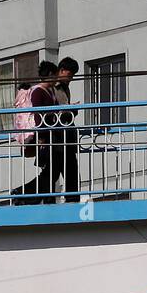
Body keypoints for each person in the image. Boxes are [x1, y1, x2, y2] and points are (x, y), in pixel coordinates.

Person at [12, 62, 63, 204]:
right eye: (56, 75)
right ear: (51, 74)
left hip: (52, 136)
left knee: (51, 171)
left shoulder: (50, 91)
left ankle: (34, 196)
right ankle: (24, 193)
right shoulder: (37, 91)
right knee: (50, 171)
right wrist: (41, 137)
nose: (57, 79)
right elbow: (37, 116)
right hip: (45, 138)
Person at [54, 57, 82, 203]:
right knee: (52, 173)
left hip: (67, 134)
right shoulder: (53, 86)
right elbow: (53, 113)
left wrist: (71, 109)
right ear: (62, 70)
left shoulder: (65, 87)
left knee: (70, 171)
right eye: (70, 75)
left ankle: (72, 199)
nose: (70, 79)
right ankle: (27, 193)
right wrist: (70, 109)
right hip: (57, 137)